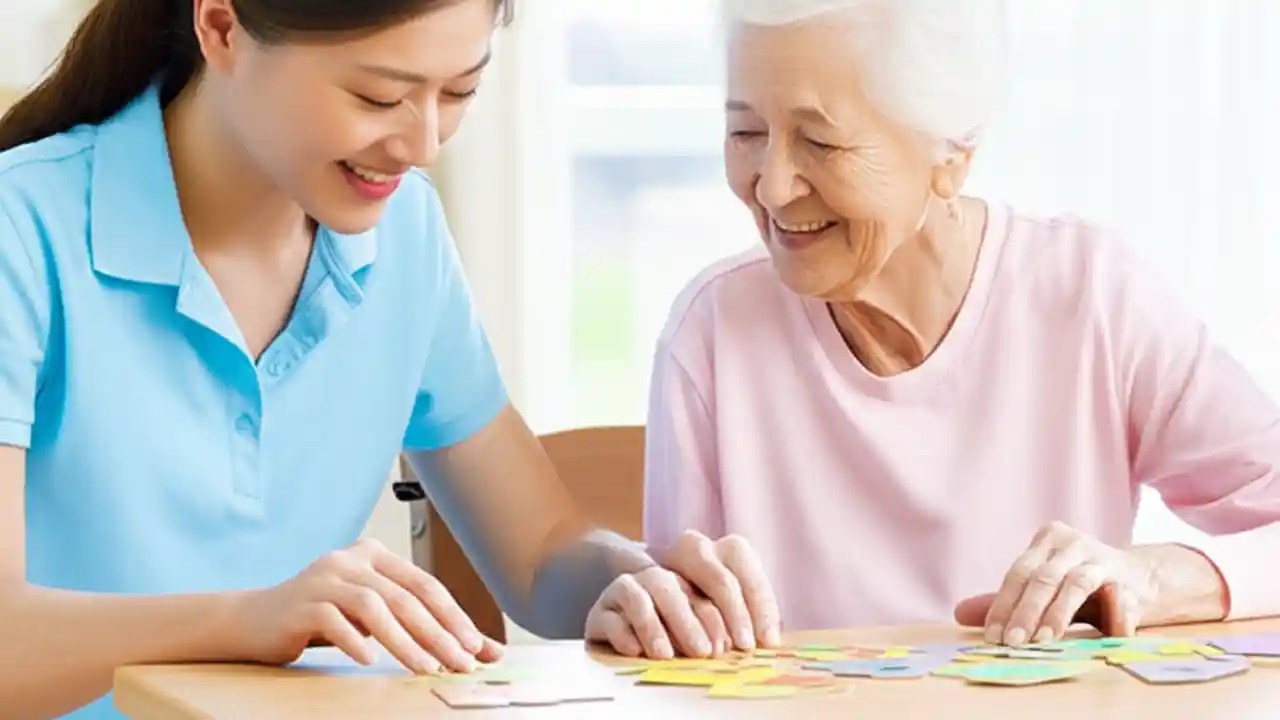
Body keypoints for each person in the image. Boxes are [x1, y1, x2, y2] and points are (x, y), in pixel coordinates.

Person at [0, 1, 781, 717]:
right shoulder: (23, 232)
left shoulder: (403, 234)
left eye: (460, 92)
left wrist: (638, 584)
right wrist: (249, 617)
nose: (423, 144)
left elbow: (539, 553)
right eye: (378, 97)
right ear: (222, 26)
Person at [644, 0, 1280, 653]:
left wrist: (1150, 577)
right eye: (747, 133)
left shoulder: (1090, 298)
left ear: (951, 152)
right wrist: (648, 607)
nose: (773, 187)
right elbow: (685, 633)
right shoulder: (712, 333)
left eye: (821, 140)